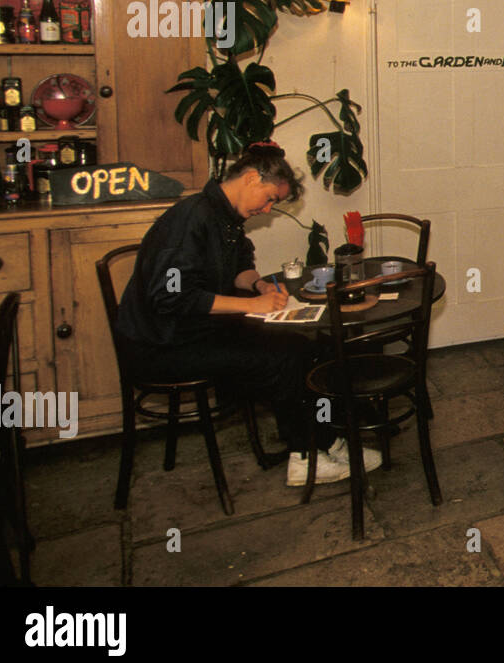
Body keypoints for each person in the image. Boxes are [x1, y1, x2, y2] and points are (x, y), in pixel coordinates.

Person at [116, 143, 378, 487]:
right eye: (269, 198)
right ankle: (305, 458)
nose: (267, 209)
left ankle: (324, 440)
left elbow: (239, 266)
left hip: (192, 331)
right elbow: (172, 296)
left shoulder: (223, 215)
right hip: (160, 345)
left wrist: (258, 287)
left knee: (303, 345)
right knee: (281, 358)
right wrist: (249, 306)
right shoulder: (191, 220)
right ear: (252, 177)